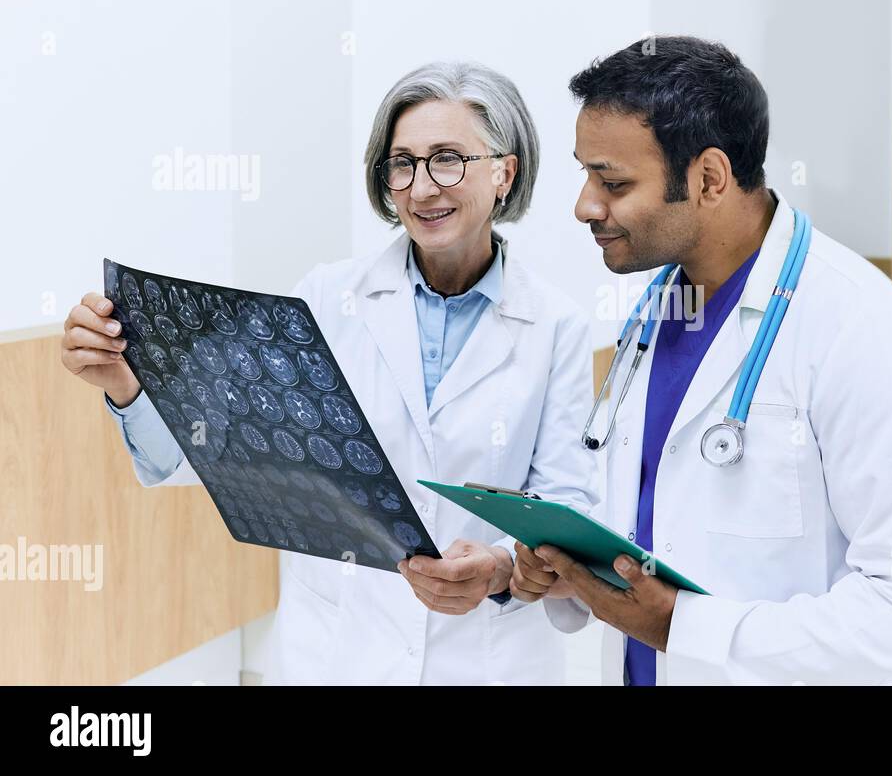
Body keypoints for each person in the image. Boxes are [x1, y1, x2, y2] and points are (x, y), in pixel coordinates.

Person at [59, 62, 597, 684]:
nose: (422, 188)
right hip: (343, 651)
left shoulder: (557, 326)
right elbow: (228, 447)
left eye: (447, 159)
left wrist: (502, 568)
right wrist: (126, 385)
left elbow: (566, 502)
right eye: (403, 163)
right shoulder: (327, 298)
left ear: (505, 172)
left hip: (488, 657)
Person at [508, 36, 892, 685]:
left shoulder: (865, 330)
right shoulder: (654, 313)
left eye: (611, 181)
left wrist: (682, 626)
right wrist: (567, 570)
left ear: (709, 178)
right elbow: (651, 517)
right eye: (586, 174)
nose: (585, 205)